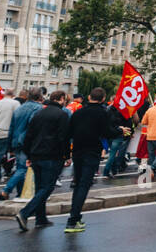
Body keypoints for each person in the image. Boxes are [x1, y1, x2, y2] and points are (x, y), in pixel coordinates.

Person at [16, 90, 71, 231]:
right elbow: (63, 137)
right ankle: (25, 213)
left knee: (40, 187)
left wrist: (28, 155)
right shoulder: (62, 115)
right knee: (48, 187)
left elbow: (29, 135)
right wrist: (67, 155)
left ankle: (40, 218)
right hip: (52, 155)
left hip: (36, 154)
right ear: (61, 99)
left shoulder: (39, 113)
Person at [65, 87, 111, 233]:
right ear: (103, 99)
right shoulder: (102, 113)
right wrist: (120, 131)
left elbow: (69, 133)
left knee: (78, 184)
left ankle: (76, 217)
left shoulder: (78, 112)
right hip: (92, 152)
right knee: (84, 185)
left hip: (78, 151)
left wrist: (67, 154)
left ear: (89, 97)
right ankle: (72, 220)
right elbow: (107, 132)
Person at [1, 87, 43, 202]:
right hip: (27, 142)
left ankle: (20, 193)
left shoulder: (20, 108)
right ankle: (6, 190)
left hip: (16, 141)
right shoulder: (38, 108)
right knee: (23, 168)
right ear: (39, 97)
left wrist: (9, 145)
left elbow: (12, 127)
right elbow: (33, 126)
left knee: (20, 167)